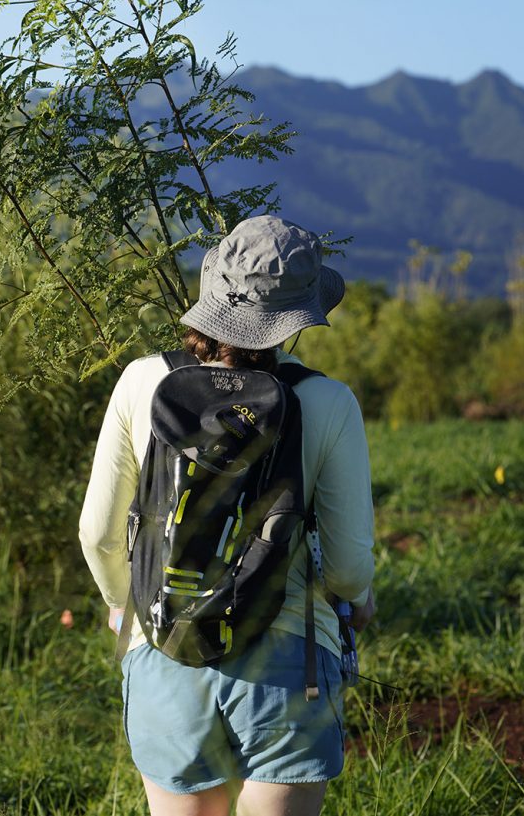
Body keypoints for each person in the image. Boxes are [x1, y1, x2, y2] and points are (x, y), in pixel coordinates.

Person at [79, 215, 377, 816]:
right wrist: (358, 599)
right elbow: (347, 569)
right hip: (289, 664)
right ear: (296, 319)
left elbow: (97, 534)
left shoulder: (142, 381)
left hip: (166, 646)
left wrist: (124, 604)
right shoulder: (327, 401)